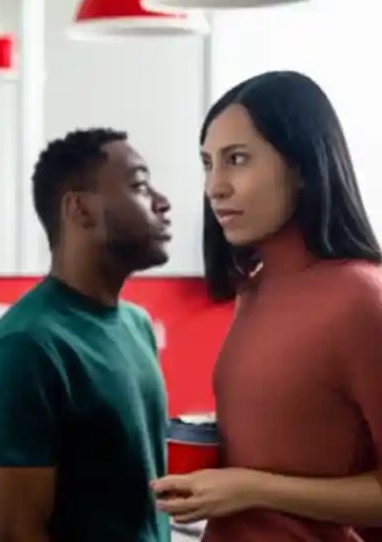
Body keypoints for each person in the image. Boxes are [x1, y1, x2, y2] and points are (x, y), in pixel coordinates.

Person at [151, 71, 382, 541]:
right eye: (207, 163)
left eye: (236, 160)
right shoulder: (254, 290)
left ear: (300, 166)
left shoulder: (361, 299)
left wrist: (249, 488)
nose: (215, 187)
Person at [0, 127, 174, 542]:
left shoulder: (137, 326)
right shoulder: (25, 349)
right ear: (80, 210)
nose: (163, 203)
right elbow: (17, 535)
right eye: (140, 185)